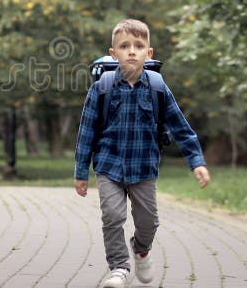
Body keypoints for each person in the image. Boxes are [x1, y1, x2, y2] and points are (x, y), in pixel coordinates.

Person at [74, 19, 211, 288]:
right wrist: (81, 172)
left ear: (149, 53)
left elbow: (181, 128)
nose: (132, 51)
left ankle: (142, 248)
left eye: (139, 45)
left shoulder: (158, 88)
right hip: (109, 166)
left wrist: (196, 161)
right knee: (113, 217)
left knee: (148, 222)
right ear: (114, 53)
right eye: (125, 46)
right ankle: (119, 267)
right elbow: (86, 131)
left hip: (144, 168)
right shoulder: (102, 87)